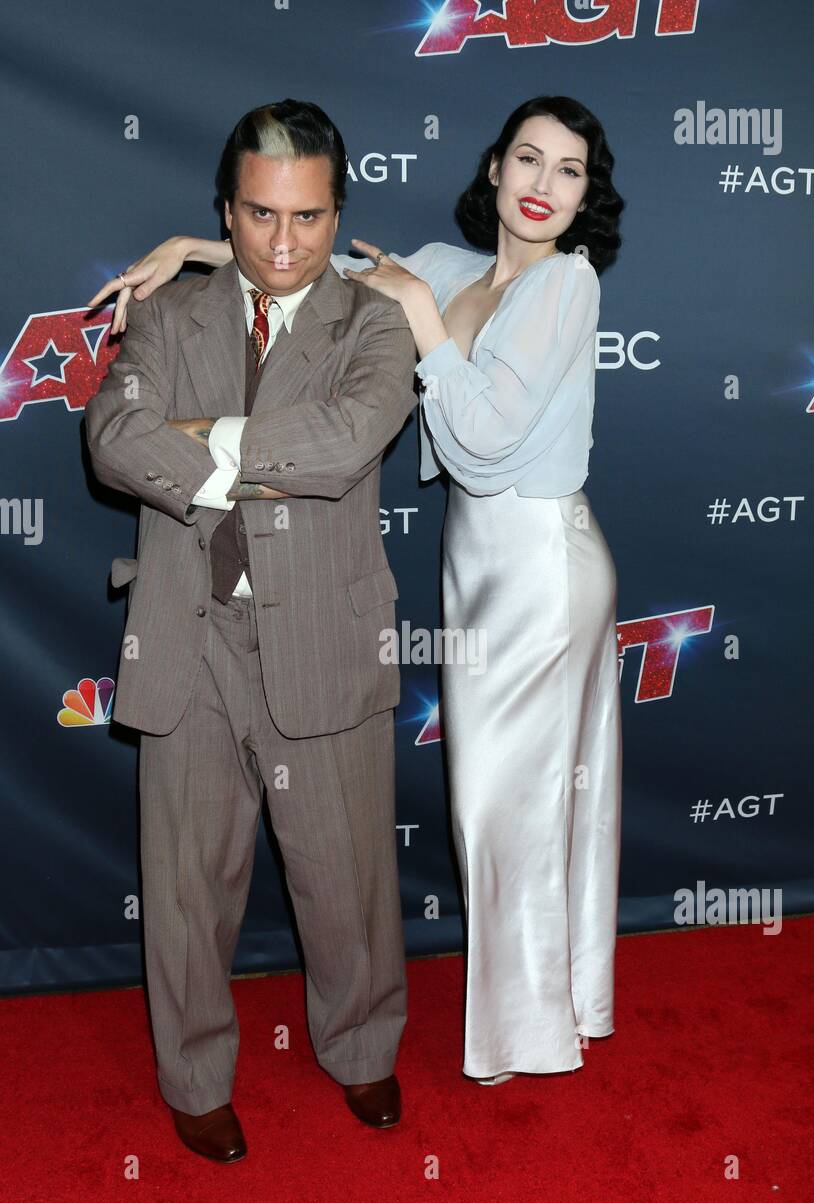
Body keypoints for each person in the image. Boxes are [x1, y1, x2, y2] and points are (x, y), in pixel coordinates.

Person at [92, 94, 625, 1088]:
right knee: (490, 809)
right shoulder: (453, 266)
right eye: (526, 158)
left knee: (512, 808)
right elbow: (307, 265)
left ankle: (525, 1032)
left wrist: (203, 442)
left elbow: (459, 439)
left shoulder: (560, 285)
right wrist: (189, 248)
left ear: (588, 193)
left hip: (540, 566)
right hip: (468, 569)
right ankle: (545, 1004)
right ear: (495, 167)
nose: (541, 185)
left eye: (567, 170)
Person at [85, 99, 419, 1162]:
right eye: (261, 215)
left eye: (310, 218)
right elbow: (110, 439)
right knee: (185, 883)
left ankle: (362, 1048)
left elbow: (345, 442)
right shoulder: (167, 314)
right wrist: (238, 448)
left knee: (348, 874)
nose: (284, 244)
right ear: (224, 212)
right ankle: (192, 1073)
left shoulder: (372, 320)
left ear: (339, 212)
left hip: (324, 631)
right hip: (186, 634)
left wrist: (200, 438)